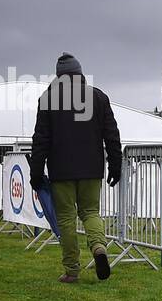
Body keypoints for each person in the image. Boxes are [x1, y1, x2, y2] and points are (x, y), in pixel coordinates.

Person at [30, 53, 122, 283]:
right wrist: (115, 164)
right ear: (80, 73)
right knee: (90, 212)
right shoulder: (98, 97)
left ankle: (72, 270)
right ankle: (99, 247)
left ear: (59, 76)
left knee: (66, 218)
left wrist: (36, 172)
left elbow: (40, 140)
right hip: (92, 168)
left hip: (61, 170)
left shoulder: (48, 99)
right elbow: (112, 134)